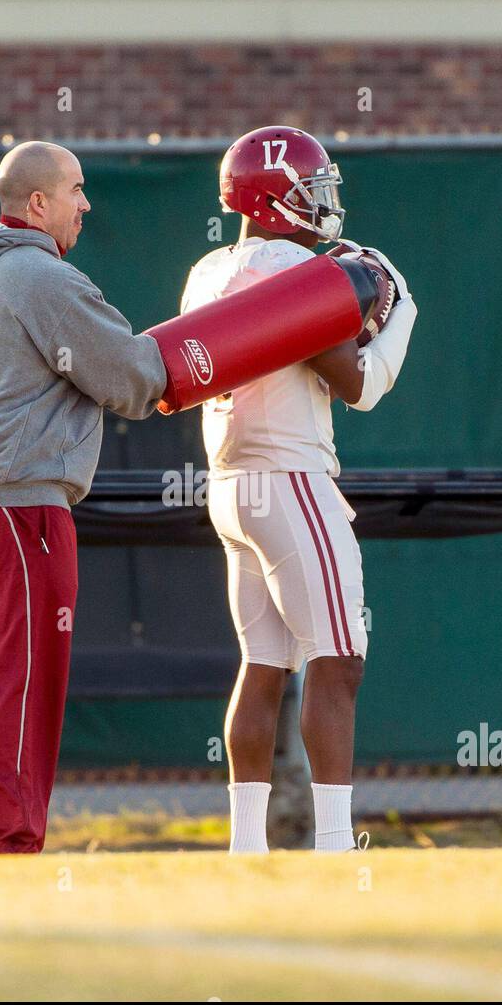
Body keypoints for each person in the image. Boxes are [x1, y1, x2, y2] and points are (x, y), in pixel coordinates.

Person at [180, 126, 417, 853]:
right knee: (338, 657)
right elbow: (361, 386)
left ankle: (247, 843)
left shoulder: (209, 270)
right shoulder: (300, 272)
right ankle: (337, 840)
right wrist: (400, 313)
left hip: (228, 483)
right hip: (290, 478)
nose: (324, 203)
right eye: (312, 189)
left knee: (263, 664)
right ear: (275, 195)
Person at [0, 141, 169, 854]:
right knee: (23, 680)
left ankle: (6, 833)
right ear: (39, 204)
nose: (85, 204)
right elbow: (132, 379)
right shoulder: (40, 277)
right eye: (75, 189)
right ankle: (6, 841)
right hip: (18, 502)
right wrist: (206, 355)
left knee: (0, 675)